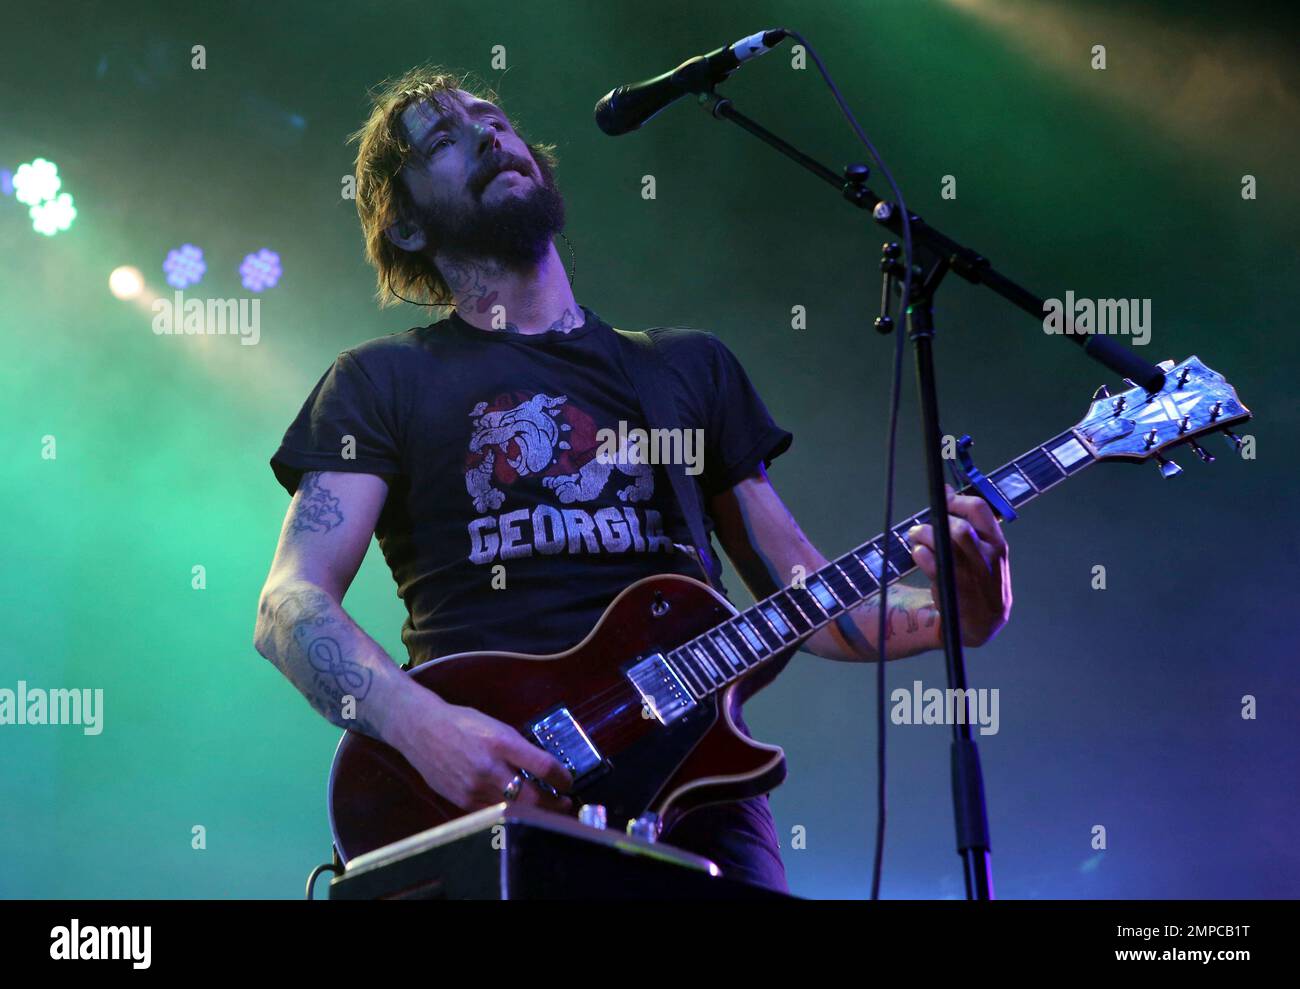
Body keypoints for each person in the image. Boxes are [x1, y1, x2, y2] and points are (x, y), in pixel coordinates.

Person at [253, 66, 1013, 894]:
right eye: (444, 138)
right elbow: (289, 606)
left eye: (493, 118)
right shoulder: (380, 380)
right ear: (402, 227)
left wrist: (952, 616)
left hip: (699, 795)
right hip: (482, 802)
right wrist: (427, 729)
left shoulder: (686, 367)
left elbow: (809, 599)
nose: (487, 136)